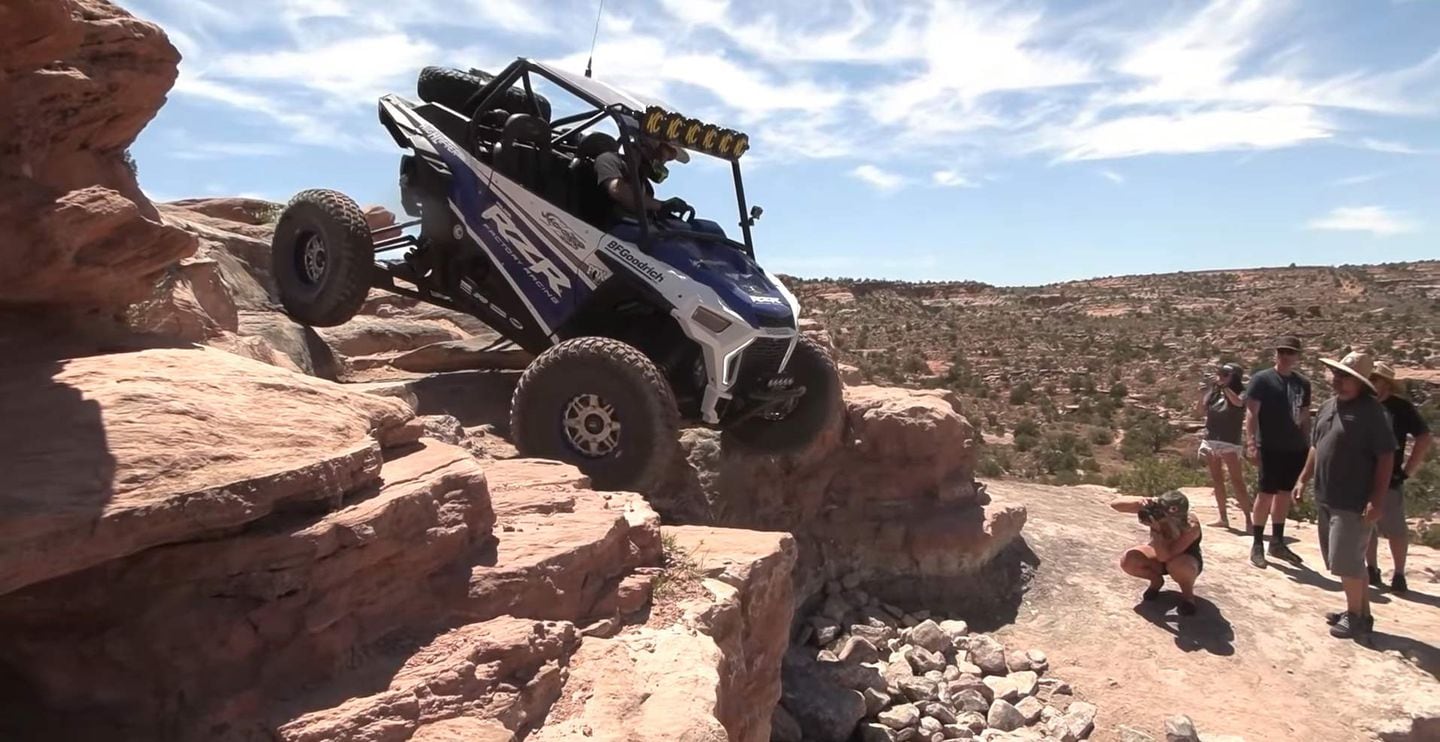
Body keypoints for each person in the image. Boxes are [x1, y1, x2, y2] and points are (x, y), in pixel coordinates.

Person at [1292, 351, 1395, 639]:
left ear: (1360, 382)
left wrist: (1377, 500)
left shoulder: (1372, 413)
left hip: (1354, 500)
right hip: (1327, 495)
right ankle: (1361, 613)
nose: (1338, 379)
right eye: (1337, 374)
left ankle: (1355, 616)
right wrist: (1303, 479)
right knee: (1348, 561)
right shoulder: (1329, 406)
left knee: (1346, 561)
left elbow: (1386, 457)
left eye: (1345, 376)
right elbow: (1317, 446)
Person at [1244, 335, 1312, 568]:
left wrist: (1307, 444)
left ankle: (1278, 542)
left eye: (1289, 352)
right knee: (1265, 494)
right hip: (1270, 446)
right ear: (1276, 353)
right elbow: (1251, 413)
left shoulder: (1303, 383)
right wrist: (1251, 443)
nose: (1284, 356)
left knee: (1284, 494)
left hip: (1294, 447)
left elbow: (1304, 416)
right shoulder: (1262, 380)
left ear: (1297, 356)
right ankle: (1257, 543)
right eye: (1281, 351)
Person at [1365, 362, 1432, 593]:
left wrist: (1407, 470)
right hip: (1361, 475)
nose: (1370, 382)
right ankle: (1371, 568)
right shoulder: (1362, 404)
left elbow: (1423, 437)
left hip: (1390, 477)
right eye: (1369, 378)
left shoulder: (1400, 407)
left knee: (1395, 529)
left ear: (1386, 383)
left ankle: (1399, 573)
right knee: (1367, 525)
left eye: (1375, 379)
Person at [593, 138, 725, 243]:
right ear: (651, 146)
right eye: (666, 157)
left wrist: (668, 212)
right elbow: (618, 190)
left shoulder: (646, 187)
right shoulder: (609, 160)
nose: (664, 163)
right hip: (603, 237)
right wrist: (661, 205)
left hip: (633, 242)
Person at [1112, 490, 1204, 616]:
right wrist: (1140, 502)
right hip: (1158, 551)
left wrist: (1157, 531)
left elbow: (1165, 557)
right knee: (1129, 560)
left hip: (1183, 557)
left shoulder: (1191, 526)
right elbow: (1115, 505)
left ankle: (1188, 597)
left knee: (1181, 566)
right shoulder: (1156, 509)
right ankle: (1156, 582)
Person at [1197, 362, 1252, 530]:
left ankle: (1249, 521)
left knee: (1237, 481)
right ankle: (1223, 517)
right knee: (1217, 479)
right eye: (1220, 374)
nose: (1221, 377)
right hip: (1212, 439)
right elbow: (1200, 410)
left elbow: (1238, 403)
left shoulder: (1242, 392)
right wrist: (1205, 392)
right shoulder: (1215, 393)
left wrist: (1225, 388)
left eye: (1225, 375)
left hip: (1229, 441)